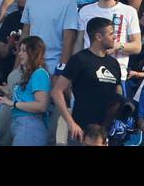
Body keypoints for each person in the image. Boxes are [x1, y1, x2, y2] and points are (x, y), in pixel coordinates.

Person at [52, 16, 122, 145]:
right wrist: (70, 123)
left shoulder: (114, 63)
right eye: (111, 34)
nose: (114, 37)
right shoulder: (79, 59)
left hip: (105, 132)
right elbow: (57, 91)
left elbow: (118, 94)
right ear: (98, 37)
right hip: (81, 131)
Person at [77, 0, 141, 79]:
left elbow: (137, 46)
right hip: (88, 72)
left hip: (117, 74)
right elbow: (79, 43)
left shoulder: (129, 11)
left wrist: (116, 46)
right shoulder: (84, 11)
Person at [23, 0, 81, 75]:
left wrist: (60, 70)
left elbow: (68, 40)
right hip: (29, 63)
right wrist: (17, 65)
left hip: (53, 64)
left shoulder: (68, 2)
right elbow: (25, 34)